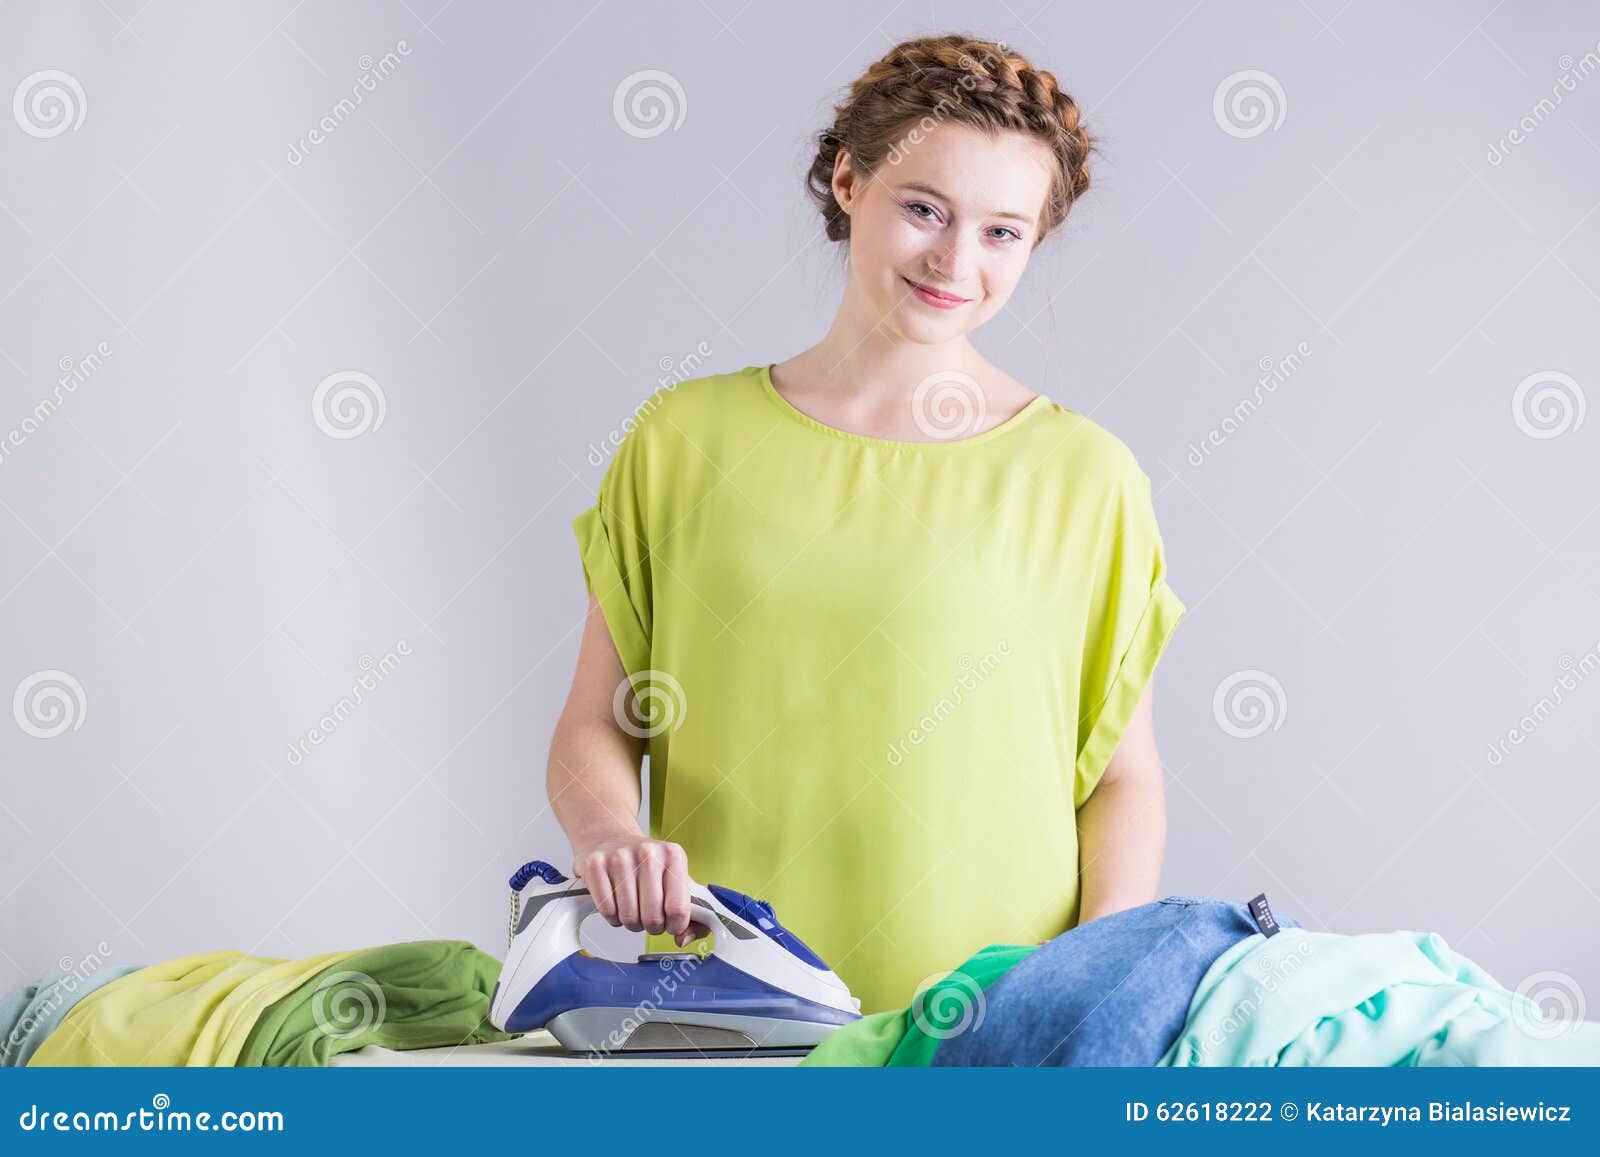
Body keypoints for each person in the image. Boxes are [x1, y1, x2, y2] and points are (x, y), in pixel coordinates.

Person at [545, 33, 1185, 1015]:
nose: (953, 259)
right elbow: (597, 718)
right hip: (724, 1006)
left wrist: (1090, 987)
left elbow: (1121, 781)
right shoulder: (681, 440)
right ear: (848, 179)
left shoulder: (1082, 476)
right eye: (923, 208)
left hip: (988, 1029)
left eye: (1001, 231)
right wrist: (607, 838)